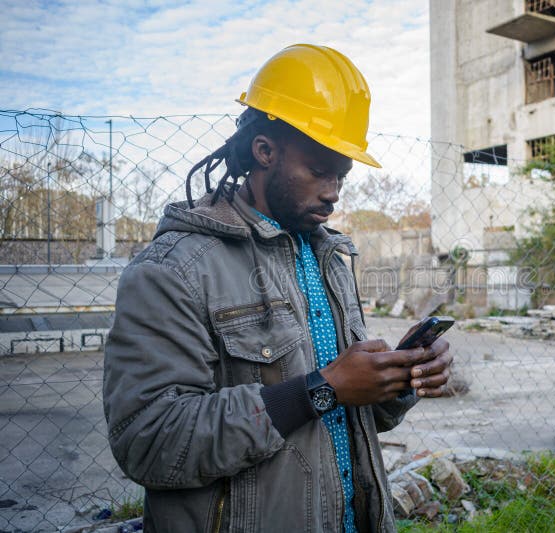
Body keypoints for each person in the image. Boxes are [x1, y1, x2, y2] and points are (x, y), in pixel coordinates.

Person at [103, 44, 452, 533]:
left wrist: (397, 380)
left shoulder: (327, 257)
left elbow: (345, 420)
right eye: (318, 169)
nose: (333, 191)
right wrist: (323, 390)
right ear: (265, 151)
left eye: (341, 175)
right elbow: (149, 440)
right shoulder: (174, 270)